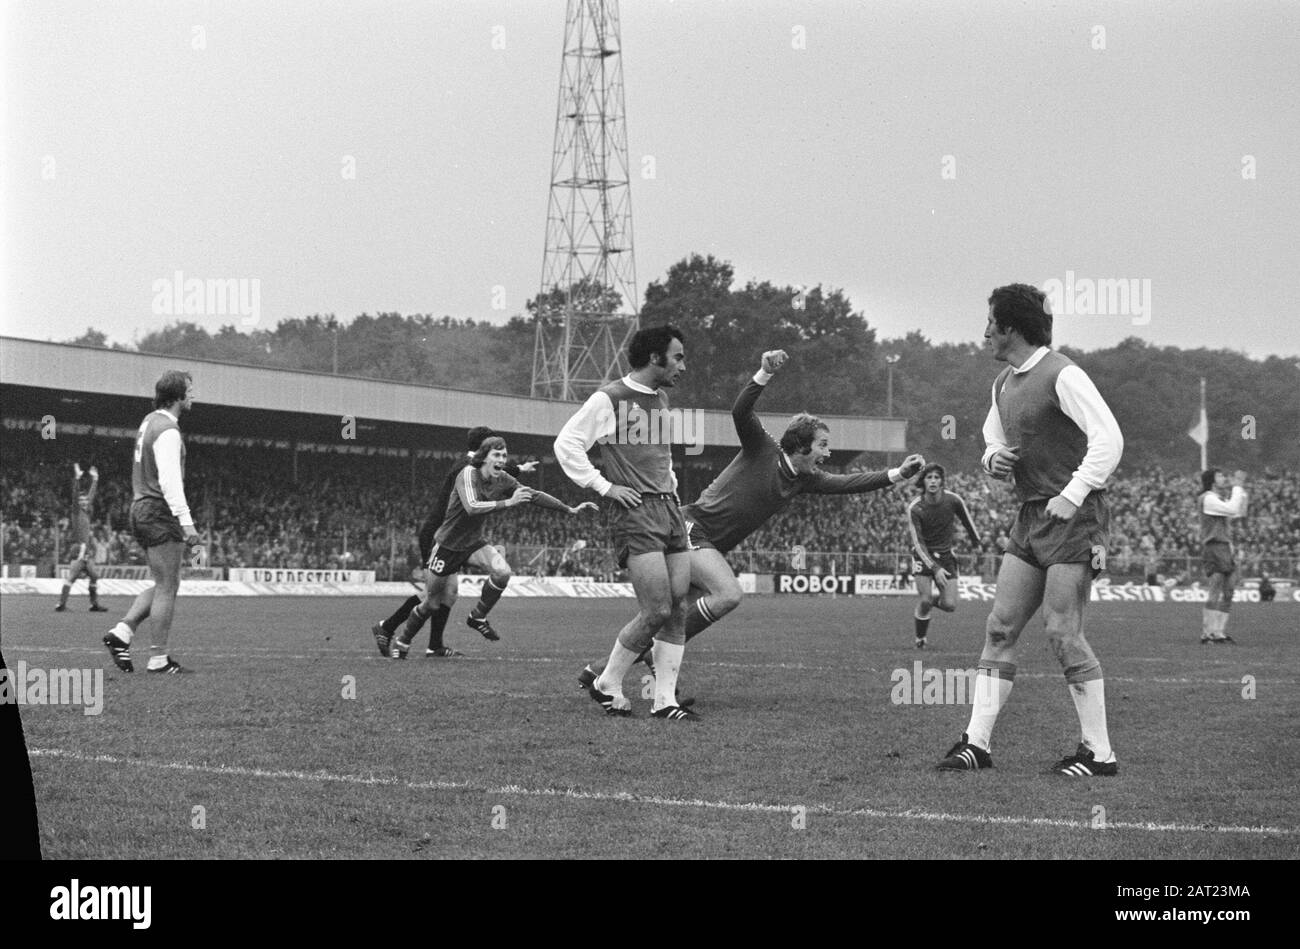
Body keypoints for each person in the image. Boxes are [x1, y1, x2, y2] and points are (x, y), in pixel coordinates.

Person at [577, 349, 924, 700]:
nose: (827, 453)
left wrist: (897, 474)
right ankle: (649, 661)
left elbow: (851, 483)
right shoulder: (763, 449)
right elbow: (740, 411)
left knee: (666, 617)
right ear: (801, 445)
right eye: (822, 445)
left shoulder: (805, 479)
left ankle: (598, 672)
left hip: (708, 542)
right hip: (692, 529)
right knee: (728, 594)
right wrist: (763, 373)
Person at [937, 283, 1123, 777]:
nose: (984, 333)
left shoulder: (1063, 374)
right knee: (999, 627)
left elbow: (1110, 439)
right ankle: (976, 744)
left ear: (1010, 328)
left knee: (1063, 632)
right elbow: (991, 436)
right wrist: (991, 456)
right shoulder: (1002, 384)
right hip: (1031, 516)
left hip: (1073, 516)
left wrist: (1073, 493)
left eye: (989, 323)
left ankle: (1099, 753)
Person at [555, 324, 696, 720]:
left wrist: (672, 489)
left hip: (668, 507)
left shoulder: (662, 398)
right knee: (655, 609)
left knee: (678, 605)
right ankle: (607, 682)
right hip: (635, 513)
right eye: (678, 356)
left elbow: (657, 456)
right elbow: (566, 444)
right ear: (655, 358)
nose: (683, 365)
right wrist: (603, 487)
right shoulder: (610, 398)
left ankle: (664, 700)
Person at [390, 437, 596, 658]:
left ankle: (477, 617)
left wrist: (569, 509)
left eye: (504, 456)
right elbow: (472, 507)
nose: (502, 460)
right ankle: (403, 641)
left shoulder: (503, 479)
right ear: (484, 457)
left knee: (503, 572)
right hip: (446, 547)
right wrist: (508, 502)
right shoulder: (468, 474)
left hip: (473, 543)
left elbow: (532, 495)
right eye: (497, 455)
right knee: (431, 603)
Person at [370, 426, 535, 658]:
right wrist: (516, 471)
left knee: (450, 593)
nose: (497, 454)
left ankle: (433, 646)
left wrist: (518, 469)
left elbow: (497, 472)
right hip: (440, 534)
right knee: (433, 596)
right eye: (493, 448)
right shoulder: (466, 468)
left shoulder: (470, 465)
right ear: (483, 447)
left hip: (453, 535)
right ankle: (388, 627)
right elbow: (490, 475)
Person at [103, 370, 203, 674]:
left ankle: (122, 633)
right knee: (168, 586)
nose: (193, 395)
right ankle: (158, 659)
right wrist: (187, 524)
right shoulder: (169, 431)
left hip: (141, 507)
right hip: (159, 510)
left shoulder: (149, 421)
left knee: (163, 584)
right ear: (178, 396)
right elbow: (171, 481)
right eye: (189, 390)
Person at [907, 463, 981, 648]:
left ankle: (928, 603)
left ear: (942, 481)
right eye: (929, 477)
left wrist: (976, 543)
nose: (933, 481)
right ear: (923, 481)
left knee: (949, 605)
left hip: (946, 556)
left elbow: (967, 520)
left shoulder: (953, 500)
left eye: (936, 477)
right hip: (923, 556)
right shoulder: (915, 508)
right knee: (924, 600)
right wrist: (934, 568)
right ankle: (920, 639)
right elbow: (918, 543)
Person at [1197, 468, 1248, 643]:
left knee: (1229, 591)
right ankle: (1207, 633)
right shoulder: (1208, 498)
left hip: (1226, 547)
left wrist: (1242, 494)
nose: (1224, 477)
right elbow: (1233, 509)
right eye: (1220, 475)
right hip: (1214, 547)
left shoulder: (1218, 499)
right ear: (1212, 480)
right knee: (1215, 590)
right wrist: (1237, 487)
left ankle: (1218, 632)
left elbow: (1239, 512)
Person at [55, 463, 108, 612]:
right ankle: (62, 604)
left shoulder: (85, 512)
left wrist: (95, 480)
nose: (85, 502)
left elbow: (90, 497)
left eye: (86, 501)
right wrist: (77, 479)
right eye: (82, 501)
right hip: (79, 548)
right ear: (78, 503)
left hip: (86, 550)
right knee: (72, 576)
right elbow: (75, 495)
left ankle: (93, 604)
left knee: (94, 575)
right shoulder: (76, 512)